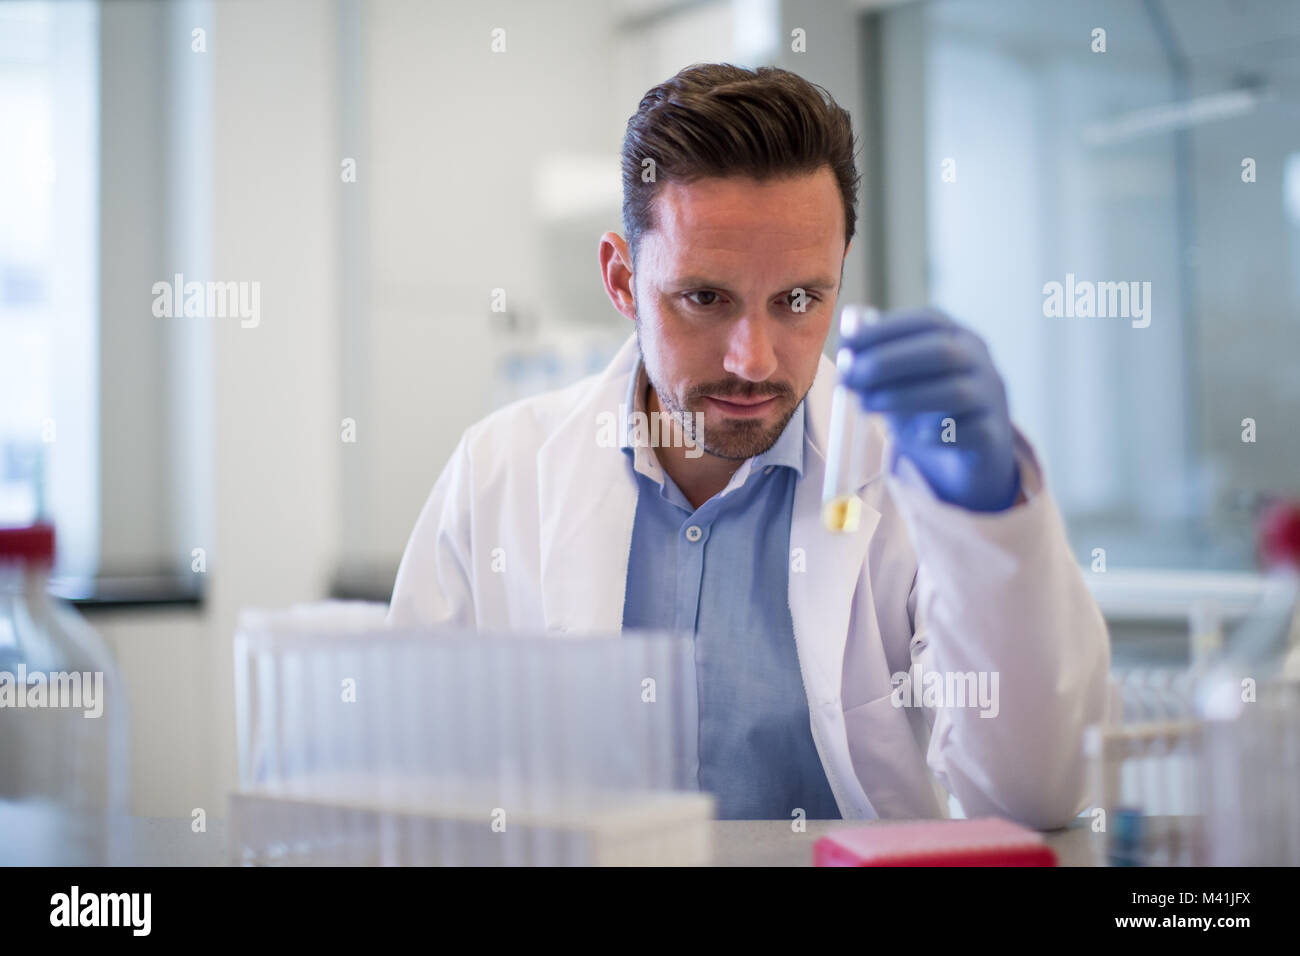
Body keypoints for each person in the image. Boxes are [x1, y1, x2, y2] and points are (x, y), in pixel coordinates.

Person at [388, 63, 1110, 827]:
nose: (754, 360)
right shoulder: (500, 471)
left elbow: (1038, 795)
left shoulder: (909, 480)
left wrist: (987, 517)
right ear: (624, 280)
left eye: (798, 299)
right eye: (705, 298)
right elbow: (404, 777)